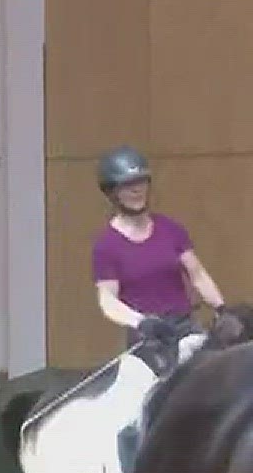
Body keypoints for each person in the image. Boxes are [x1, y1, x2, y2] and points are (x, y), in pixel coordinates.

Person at [90, 146, 227, 376]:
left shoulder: (170, 229)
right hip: (148, 338)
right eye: (127, 185)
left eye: (141, 182)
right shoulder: (107, 245)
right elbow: (108, 301)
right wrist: (141, 322)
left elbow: (198, 276)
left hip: (185, 329)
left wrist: (223, 309)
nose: (137, 190)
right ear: (112, 192)